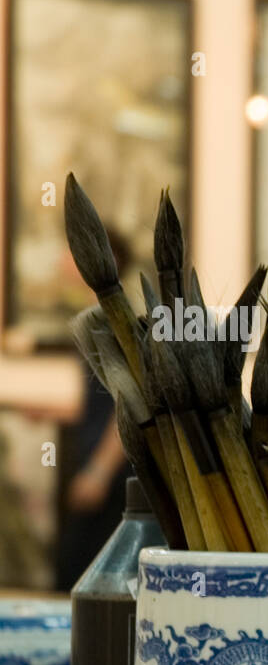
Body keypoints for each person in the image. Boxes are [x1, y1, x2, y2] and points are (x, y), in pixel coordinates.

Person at [52, 227, 132, 590]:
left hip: (114, 478)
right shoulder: (92, 319)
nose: (62, 259)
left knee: (78, 575)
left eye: (71, 250)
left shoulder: (112, 323)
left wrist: (99, 472)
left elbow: (128, 402)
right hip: (103, 472)